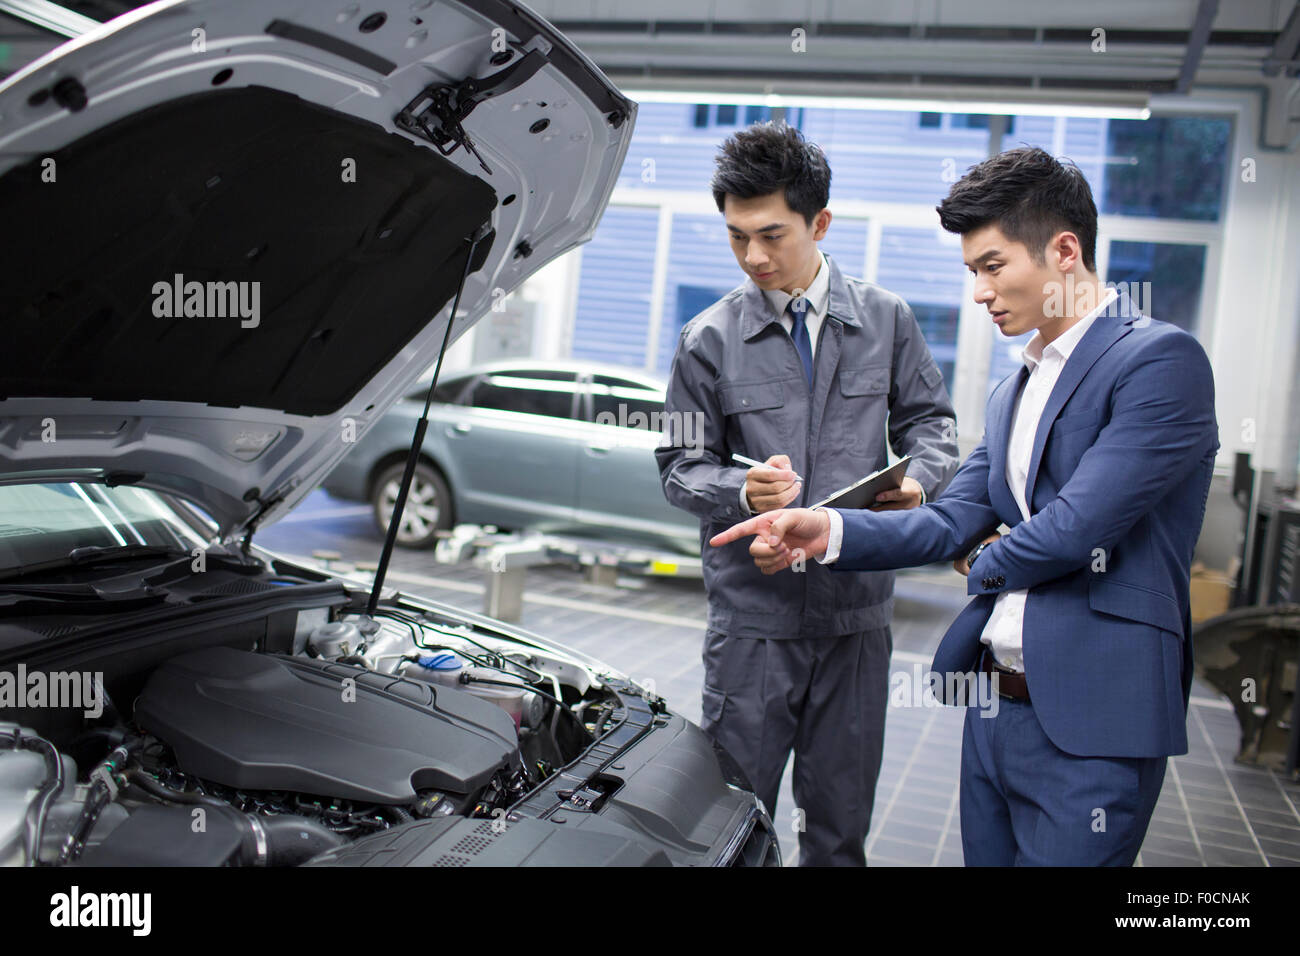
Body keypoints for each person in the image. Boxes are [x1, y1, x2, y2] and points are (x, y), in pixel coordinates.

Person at [710, 146, 1220, 866]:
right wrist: (822, 529)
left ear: (1064, 251)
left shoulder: (1159, 363)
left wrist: (983, 559)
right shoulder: (1018, 386)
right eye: (971, 272)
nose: (979, 292)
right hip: (996, 707)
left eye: (992, 266)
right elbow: (950, 517)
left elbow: (1075, 529)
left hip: (1094, 715)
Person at [655, 121, 960, 866]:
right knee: (733, 825)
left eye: (772, 235)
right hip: (753, 626)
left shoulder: (887, 321)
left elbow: (935, 425)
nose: (753, 257)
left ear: (820, 223)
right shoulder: (705, 339)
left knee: (839, 827)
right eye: (735, 237)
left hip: (856, 620)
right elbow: (677, 465)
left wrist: (921, 478)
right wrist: (741, 490)